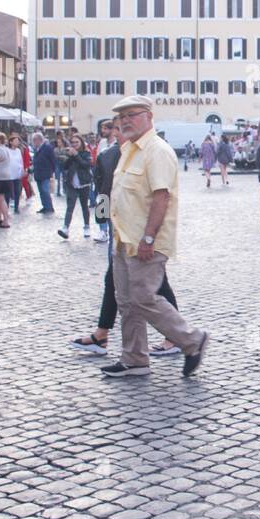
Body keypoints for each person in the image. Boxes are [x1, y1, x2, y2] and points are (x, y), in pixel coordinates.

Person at [103, 95, 210, 378]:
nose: (125, 121)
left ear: (149, 116)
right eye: (121, 117)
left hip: (145, 241)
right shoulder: (129, 149)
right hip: (124, 239)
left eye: (132, 115)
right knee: (126, 300)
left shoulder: (157, 150)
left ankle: (191, 339)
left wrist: (149, 238)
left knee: (143, 297)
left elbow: (161, 197)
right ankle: (135, 358)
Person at [71, 127, 180, 359]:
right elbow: (101, 188)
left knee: (155, 282)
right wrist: (102, 220)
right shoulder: (108, 155)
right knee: (115, 279)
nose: (122, 132)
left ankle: (178, 336)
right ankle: (103, 334)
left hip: (141, 226)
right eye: (118, 128)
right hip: (118, 226)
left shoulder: (147, 152)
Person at [57, 134, 93, 240]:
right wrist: (68, 157)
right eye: (72, 142)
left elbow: (85, 165)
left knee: (84, 206)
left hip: (84, 183)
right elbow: (65, 167)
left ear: (81, 142)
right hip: (72, 183)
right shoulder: (70, 154)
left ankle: (87, 226)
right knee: (70, 206)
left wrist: (76, 155)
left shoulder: (86, 153)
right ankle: (65, 228)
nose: (74, 144)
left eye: (77, 142)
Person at [30, 132, 56, 214]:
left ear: (38, 140)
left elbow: (53, 160)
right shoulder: (36, 149)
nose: (33, 142)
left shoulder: (47, 148)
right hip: (38, 173)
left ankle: (49, 207)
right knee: (41, 191)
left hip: (45, 173)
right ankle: (45, 206)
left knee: (45, 190)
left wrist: (52, 171)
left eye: (34, 140)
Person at [5, 134, 25, 215]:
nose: (17, 142)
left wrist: (22, 170)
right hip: (9, 174)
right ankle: (6, 207)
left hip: (17, 173)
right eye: (16, 141)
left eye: (18, 141)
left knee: (17, 191)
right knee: (8, 192)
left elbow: (21, 161)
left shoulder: (18, 151)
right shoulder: (7, 150)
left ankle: (16, 207)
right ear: (11, 142)